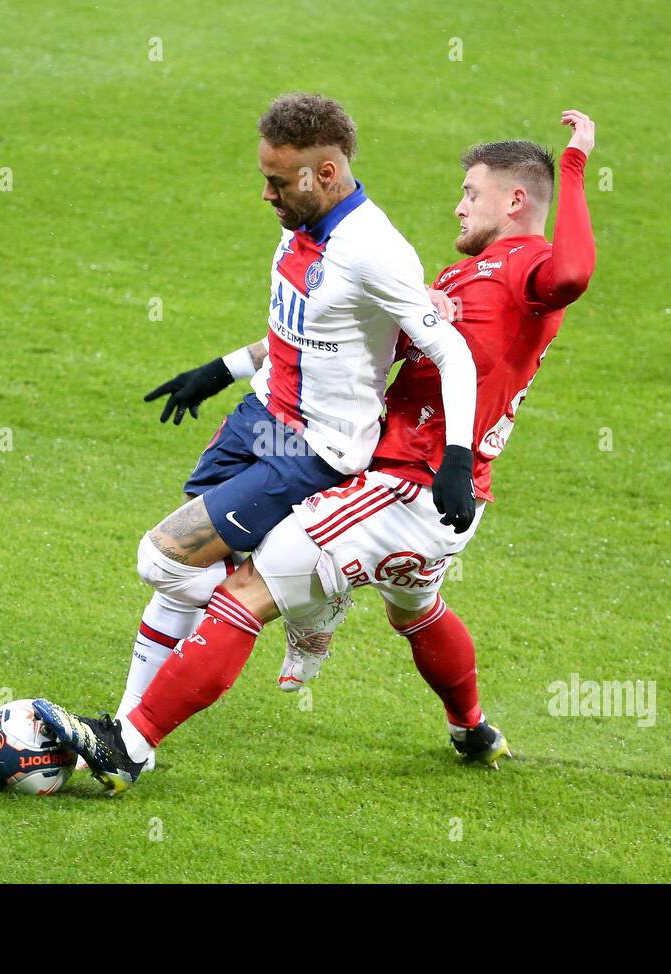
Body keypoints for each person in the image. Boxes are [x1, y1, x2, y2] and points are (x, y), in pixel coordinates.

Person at [39, 110, 596, 795]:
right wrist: (225, 368)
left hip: (409, 486)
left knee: (245, 593)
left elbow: (572, 273)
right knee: (415, 608)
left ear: (515, 201)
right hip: (436, 492)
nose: (457, 203)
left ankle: (128, 745)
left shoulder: (529, 268)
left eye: (471, 192)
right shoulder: (459, 280)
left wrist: (573, 163)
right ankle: (472, 727)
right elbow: (333, 338)